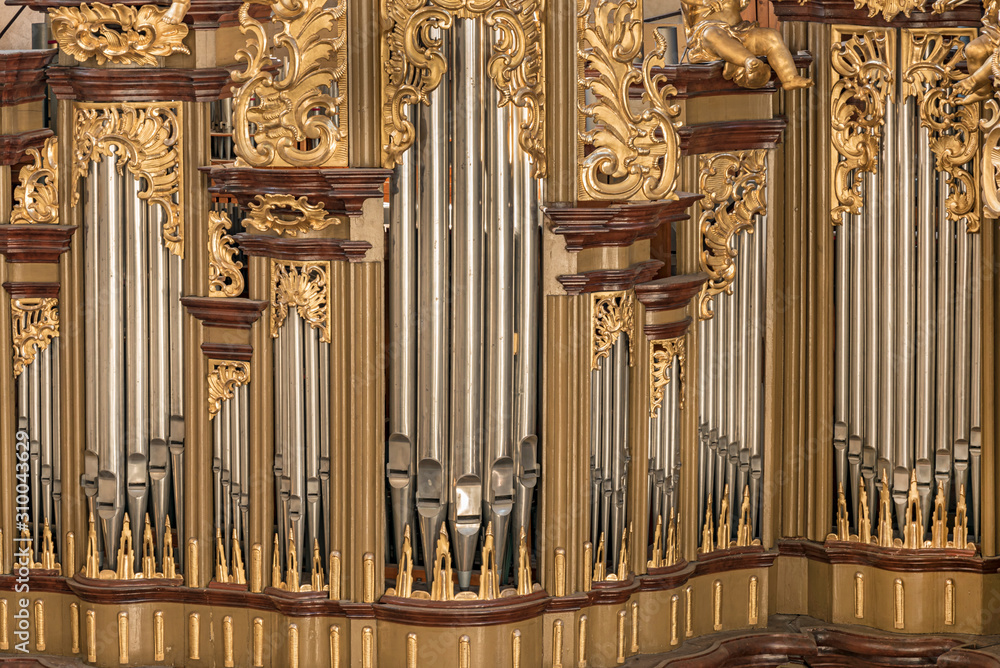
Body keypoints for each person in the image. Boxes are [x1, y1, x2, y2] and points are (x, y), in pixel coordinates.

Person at [681, 0, 813, 90]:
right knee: (714, 35)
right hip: (708, 31)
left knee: (771, 36)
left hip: (740, 30)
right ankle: (747, 60)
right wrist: (703, 1)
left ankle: (790, 78)